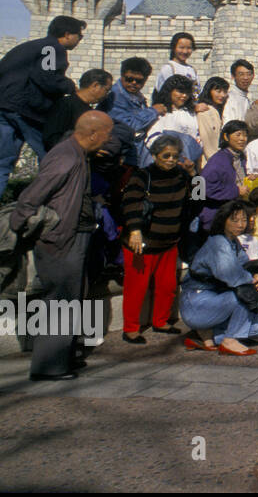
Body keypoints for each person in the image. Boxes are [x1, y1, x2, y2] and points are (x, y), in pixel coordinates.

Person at [9, 111, 112, 379]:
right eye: (106, 134)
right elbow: (32, 196)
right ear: (92, 134)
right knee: (60, 301)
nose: (108, 140)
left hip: (74, 236)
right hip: (62, 239)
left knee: (70, 299)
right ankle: (48, 367)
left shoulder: (77, 154)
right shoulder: (66, 156)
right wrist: (27, 225)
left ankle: (63, 358)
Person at [0, 15, 83, 197]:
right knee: (51, 156)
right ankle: (47, 202)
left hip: (5, 107)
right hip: (27, 110)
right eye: (79, 35)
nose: (79, 40)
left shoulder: (25, 47)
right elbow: (46, 77)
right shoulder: (52, 49)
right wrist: (69, 87)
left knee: (3, 162)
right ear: (67, 34)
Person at [120, 134, 192, 343]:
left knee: (167, 285)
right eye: (165, 155)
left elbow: (199, 198)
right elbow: (131, 203)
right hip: (142, 243)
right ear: (154, 155)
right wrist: (134, 230)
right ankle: (131, 328)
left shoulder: (181, 175)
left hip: (169, 241)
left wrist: (194, 173)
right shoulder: (143, 175)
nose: (170, 159)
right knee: (137, 287)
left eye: (175, 156)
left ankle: (160, 321)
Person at [178, 200, 258, 356]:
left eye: (244, 220)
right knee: (245, 296)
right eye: (235, 220)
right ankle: (229, 341)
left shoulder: (233, 241)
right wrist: (253, 284)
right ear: (223, 220)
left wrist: (257, 275)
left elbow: (245, 266)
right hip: (197, 302)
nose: (240, 224)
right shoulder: (218, 242)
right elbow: (230, 274)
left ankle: (205, 335)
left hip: (217, 300)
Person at [198, 120, 251, 232]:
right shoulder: (218, 160)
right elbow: (201, 188)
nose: (243, 139)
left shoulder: (240, 157)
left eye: (245, 135)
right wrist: (236, 191)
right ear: (226, 137)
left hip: (232, 216)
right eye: (238, 135)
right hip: (215, 218)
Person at [42, 68, 112, 152]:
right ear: (95, 85)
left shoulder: (89, 111)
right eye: (106, 90)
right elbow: (52, 138)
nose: (106, 95)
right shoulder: (65, 105)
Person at [144, 76, 203, 171]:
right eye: (180, 91)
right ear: (169, 91)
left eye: (187, 93)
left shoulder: (190, 114)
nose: (184, 96)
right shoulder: (160, 111)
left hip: (187, 164)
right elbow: (153, 138)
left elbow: (197, 138)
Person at [196, 76, 231, 164]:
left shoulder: (217, 110)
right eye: (218, 91)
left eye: (224, 91)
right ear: (209, 91)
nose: (222, 95)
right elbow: (207, 141)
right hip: (209, 163)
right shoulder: (205, 111)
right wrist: (216, 163)